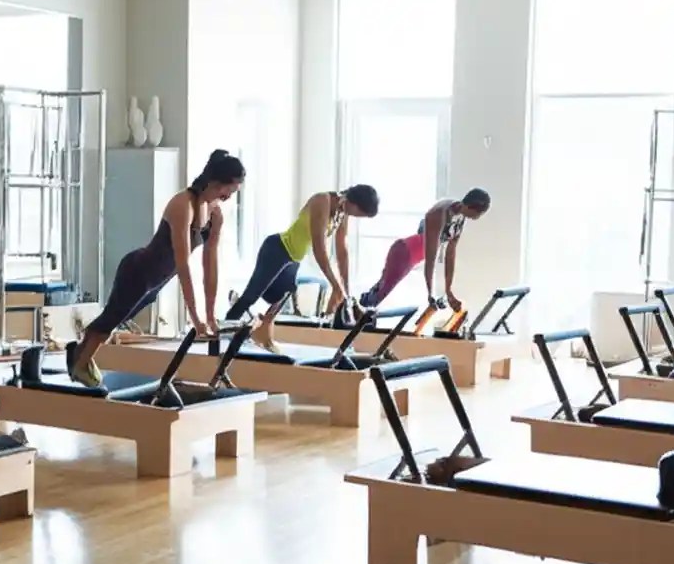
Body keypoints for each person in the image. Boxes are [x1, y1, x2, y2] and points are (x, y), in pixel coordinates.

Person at [69, 149, 245, 388]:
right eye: (230, 190)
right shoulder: (183, 205)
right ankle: (81, 362)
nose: (229, 197)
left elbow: (209, 265)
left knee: (114, 318)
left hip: (156, 281)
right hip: (138, 272)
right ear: (216, 182)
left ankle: (78, 354)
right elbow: (183, 265)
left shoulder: (215, 214)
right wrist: (194, 317)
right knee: (110, 322)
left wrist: (211, 315)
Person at [224, 185, 379, 350]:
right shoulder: (323, 201)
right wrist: (335, 284)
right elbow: (319, 248)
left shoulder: (342, 213)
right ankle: (223, 337)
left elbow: (342, 252)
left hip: (292, 258)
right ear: (353, 202)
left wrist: (345, 289)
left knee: (279, 299)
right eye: (359, 213)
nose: (356, 216)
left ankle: (262, 334)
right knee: (251, 296)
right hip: (277, 249)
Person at [359, 188, 490, 311]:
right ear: (471, 207)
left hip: (412, 256)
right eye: (479, 214)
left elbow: (450, 255)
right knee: (380, 295)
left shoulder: (461, 216)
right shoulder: (440, 214)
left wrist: (449, 290)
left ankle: (358, 312)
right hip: (404, 252)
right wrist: (430, 293)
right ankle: (354, 316)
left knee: (380, 291)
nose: (478, 217)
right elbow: (431, 257)